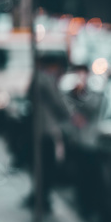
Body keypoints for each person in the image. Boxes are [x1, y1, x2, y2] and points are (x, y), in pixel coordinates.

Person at [24, 54, 70, 212]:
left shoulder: (38, 79)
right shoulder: (45, 79)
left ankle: (39, 196)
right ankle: (42, 198)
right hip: (45, 131)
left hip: (40, 129)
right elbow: (59, 103)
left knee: (39, 166)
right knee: (47, 167)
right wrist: (70, 115)